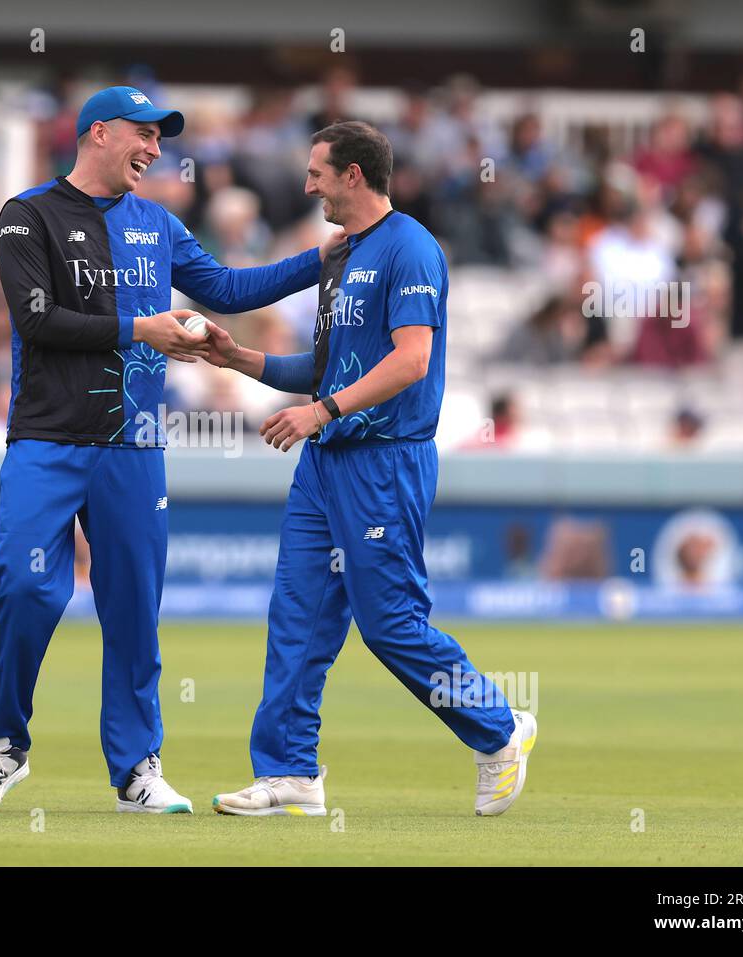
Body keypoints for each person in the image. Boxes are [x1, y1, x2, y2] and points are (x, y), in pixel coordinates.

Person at [0, 85, 343, 814]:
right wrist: (143, 329)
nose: (156, 149)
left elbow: (227, 287)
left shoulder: (156, 224)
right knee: (25, 588)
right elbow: (38, 321)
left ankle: (137, 769)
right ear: (97, 133)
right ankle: (3, 747)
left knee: (134, 607)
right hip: (47, 437)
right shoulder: (25, 216)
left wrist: (318, 259)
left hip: (134, 447)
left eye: (161, 138)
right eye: (144, 133)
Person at [203, 121, 537, 817]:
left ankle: (500, 728)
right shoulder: (343, 256)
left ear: (354, 175)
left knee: (391, 624)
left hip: (383, 460)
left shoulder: (411, 248)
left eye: (317, 172)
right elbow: (326, 368)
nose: (307, 185)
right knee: (297, 615)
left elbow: (411, 360)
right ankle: (290, 770)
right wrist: (240, 360)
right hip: (327, 464)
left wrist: (322, 411)